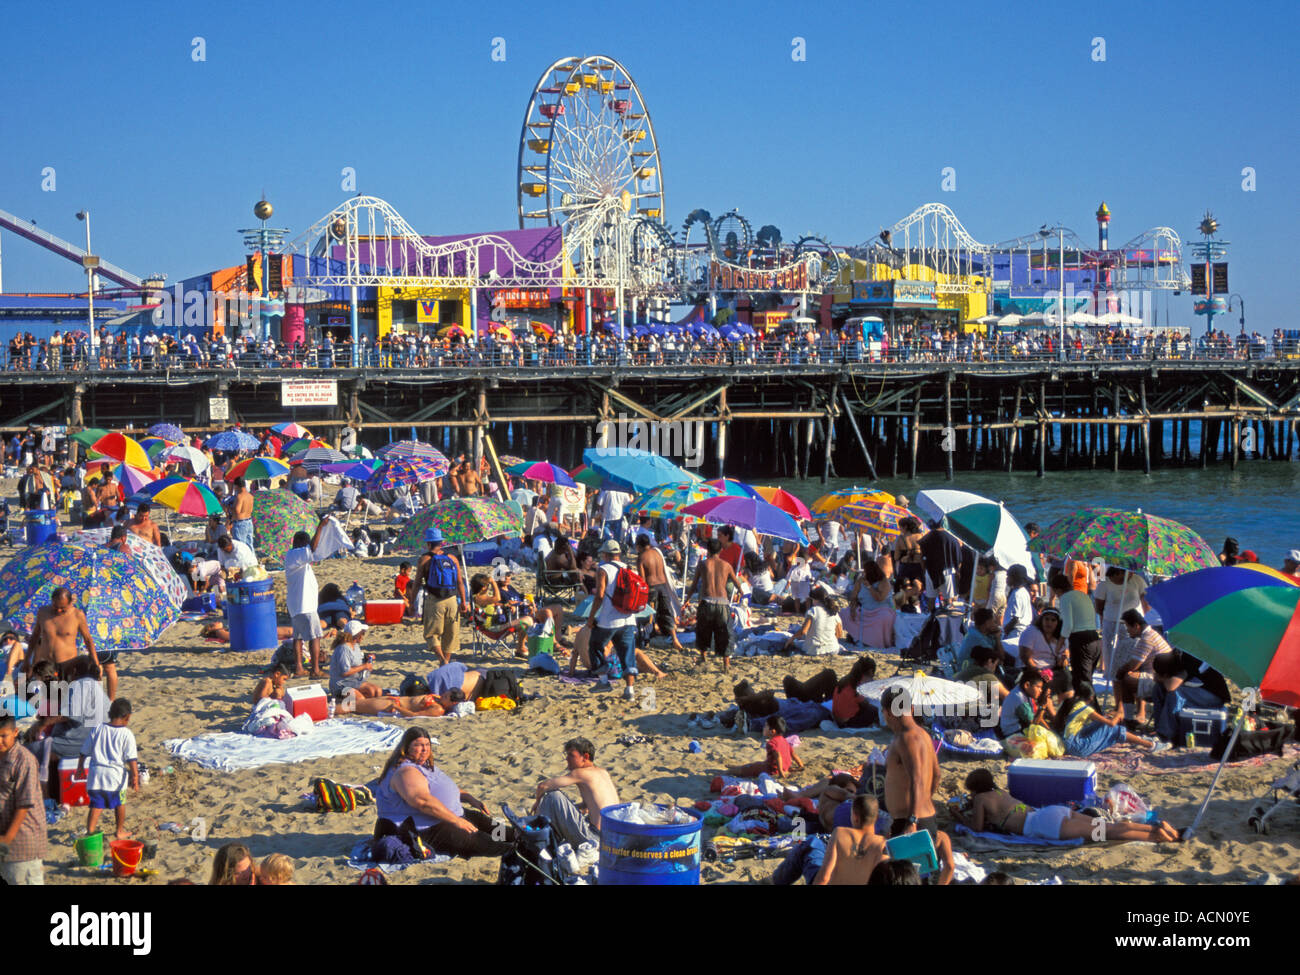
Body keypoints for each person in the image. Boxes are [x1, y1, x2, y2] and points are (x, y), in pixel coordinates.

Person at [372, 727, 513, 859]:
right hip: (427, 828)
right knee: (482, 841)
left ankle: (520, 837)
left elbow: (443, 789)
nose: (424, 750)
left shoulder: (421, 764)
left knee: (493, 826)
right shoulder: (405, 772)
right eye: (418, 745)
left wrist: (469, 797)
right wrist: (457, 821)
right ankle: (514, 850)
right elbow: (422, 802)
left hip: (449, 815)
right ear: (406, 747)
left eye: (427, 745)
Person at [959, 768, 1180, 843]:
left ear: (975, 789)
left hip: (1047, 825)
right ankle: (1158, 828)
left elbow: (977, 828)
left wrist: (958, 817)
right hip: (1053, 812)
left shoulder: (980, 799)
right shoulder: (1000, 792)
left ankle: (1158, 835)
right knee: (1107, 827)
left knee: (1109, 833)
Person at [532, 737, 620, 850]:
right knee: (559, 803)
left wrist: (537, 802)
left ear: (586, 757)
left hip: (594, 838)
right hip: (613, 838)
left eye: (571, 755)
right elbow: (587, 807)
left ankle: (536, 834)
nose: (567, 759)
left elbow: (543, 786)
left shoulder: (581, 773)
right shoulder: (603, 772)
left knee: (552, 795)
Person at [76, 698, 140, 841]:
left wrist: (79, 768)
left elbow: (83, 752)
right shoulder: (126, 734)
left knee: (96, 805)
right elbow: (132, 760)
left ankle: (90, 832)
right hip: (115, 777)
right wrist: (135, 777)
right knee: (120, 804)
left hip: (96, 777)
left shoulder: (98, 728)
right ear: (127, 716)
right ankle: (119, 831)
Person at [587, 540, 640, 700]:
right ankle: (629, 691)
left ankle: (603, 682)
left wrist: (591, 618)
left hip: (608, 620)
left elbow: (600, 596)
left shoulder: (603, 569)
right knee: (627, 654)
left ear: (605, 554)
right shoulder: (629, 569)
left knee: (595, 646)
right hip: (628, 618)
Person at [28, 587, 107, 693]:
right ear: (52, 601)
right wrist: (27, 660)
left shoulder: (77, 615)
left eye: (63, 608)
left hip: (68, 665)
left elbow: (88, 639)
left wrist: (96, 663)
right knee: (47, 701)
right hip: (47, 666)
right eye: (55, 607)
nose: (59, 610)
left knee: (66, 699)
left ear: (70, 603)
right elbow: (35, 637)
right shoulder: (43, 612)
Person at [1056, 683, 1169, 757]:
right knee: (1114, 729)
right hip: (1077, 748)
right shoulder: (1086, 709)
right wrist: (1119, 713)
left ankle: (1144, 742)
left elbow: (1101, 720)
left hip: (1070, 743)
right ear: (1091, 697)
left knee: (1103, 724)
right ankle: (1150, 745)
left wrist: (1109, 716)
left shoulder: (1077, 705)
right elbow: (1111, 723)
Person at [0, 713, 47, 885]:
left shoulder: (23, 760)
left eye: (3, 736)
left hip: (22, 842)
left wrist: (7, 839)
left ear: (14, 732)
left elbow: (24, 804)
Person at [284, 519, 329, 677]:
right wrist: (321, 527)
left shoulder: (295, 558)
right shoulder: (295, 555)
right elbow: (313, 548)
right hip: (305, 605)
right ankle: (315, 670)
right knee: (315, 636)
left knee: (299, 637)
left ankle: (299, 668)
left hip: (297, 605)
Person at [417, 528, 467, 666]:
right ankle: (447, 660)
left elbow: (416, 583)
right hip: (452, 601)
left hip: (434, 601)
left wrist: (411, 603)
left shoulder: (424, 559)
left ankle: (442, 660)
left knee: (432, 634)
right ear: (442, 542)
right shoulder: (452, 558)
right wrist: (464, 601)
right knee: (450, 635)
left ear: (428, 544)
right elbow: (460, 582)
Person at [1113, 609, 1173, 726]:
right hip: (1162, 676)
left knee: (1126, 679)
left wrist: (1120, 671)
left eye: (1128, 627)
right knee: (1129, 676)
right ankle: (1130, 717)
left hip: (1159, 679)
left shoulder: (1147, 638)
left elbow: (1133, 665)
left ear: (1136, 626)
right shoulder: (1151, 634)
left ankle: (1129, 718)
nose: (1127, 631)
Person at [811, 794, 886, 885]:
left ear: (855, 816)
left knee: (811, 842)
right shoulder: (882, 844)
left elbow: (824, 877)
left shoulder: (840, 834)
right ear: (877, 817)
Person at [689, 536, 739, 671]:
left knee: (703, 631)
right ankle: (726, 664)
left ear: (707, 550)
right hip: (723, 603)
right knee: (724, 632)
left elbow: (693, 586)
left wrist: (687, 599)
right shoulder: (726, 565)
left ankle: (703, 658)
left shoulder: (703, 564)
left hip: (706, 602)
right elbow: (737, 583)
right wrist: (739, 593)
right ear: (720, 550)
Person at [1049, 572, 1101, 690]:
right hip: (1095, 639)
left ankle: (1091, 708)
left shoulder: (1065, 598)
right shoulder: (1082, 595)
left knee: (1082, 683)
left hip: (1081, 641)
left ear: (1057, 589)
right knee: (1085, 682)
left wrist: (1057, 648)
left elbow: (1068, 625)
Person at [1095, 567, 1148, 679]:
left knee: (1130, 659)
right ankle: (1115, 686)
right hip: (1112, 625)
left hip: (1133, 627)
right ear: (1118, 572)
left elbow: (1146, 602)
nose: (1130, 574)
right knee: (1113, 660)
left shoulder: (1137, 580)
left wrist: (1147, 620)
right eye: (1126, 572)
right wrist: (1109, 617)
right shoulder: (1104, 584)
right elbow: (1099, 607)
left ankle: (1129, 686)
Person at [635, 535, 683, 651]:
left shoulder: (641, 558)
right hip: (663, 586)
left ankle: (646, 641)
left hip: (651, 588)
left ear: (638, 546)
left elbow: (642, 580)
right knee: (667, 613)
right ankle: (675, 638)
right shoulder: (657, 553)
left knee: (650, 615)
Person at [724, 714, 804, 779]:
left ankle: (730, 771)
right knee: (757, 764)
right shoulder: (784, 740)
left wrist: (780, 773)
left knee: (751, 768)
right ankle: (736, 768)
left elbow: (778, 756)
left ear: (772, 731)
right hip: (785, 767)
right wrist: (800, 765)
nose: (763, 728)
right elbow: (793, 754)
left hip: (771, 770)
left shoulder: (772, 743)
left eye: (765, 726)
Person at [844, 561, 895, 649]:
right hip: (865, 609)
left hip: (881, 610)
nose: (864, 573)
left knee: (884, 617)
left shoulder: (884, 582)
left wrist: (869, 587)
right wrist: (852, 608)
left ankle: (876, 642)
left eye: (866, 571)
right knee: (844, 613)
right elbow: (854, 597)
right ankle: (855, 637)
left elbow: (879, 598)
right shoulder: (860, 581)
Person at [783, 585, 845, 656]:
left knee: (796, 643)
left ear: (815, 600)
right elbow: (839, 634)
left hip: (814, 650)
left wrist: (791, 639)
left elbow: (803, 631)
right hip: (833, 649)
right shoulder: (834, 612)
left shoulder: (813, 611)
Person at [329, 620, 382, 702]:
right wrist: (364, 666)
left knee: (376, 691)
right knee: (360, 700)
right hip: (341, 684)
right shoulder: (343, 649)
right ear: (357, 635)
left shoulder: (355, 645)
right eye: (362, 633)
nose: (363, 636)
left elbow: (355, 660)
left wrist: (366, 658)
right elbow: (345, 672)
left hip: (354, 681)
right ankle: (339, 699)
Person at [997, 667, 1045, 738]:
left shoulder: (1021, 690)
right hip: (1013, 734)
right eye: (1038, 687)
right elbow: (1033, 725)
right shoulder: (1020, 699)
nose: (1040, 690)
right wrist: (1043, 707)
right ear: (1027, 685)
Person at [1018, 606, 1068, 672]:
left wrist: (1063, 661)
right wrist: (1039, 672)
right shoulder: (1031, 632)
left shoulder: (1062, 638)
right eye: (1046, 619)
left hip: (1054, 671)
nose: (1049, 623)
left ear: (1058, 623)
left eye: (1053, 620)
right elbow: (1025, 657)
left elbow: (1064, 660)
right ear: (1041, 620)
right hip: (1031, 671)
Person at [1001, 564, 1034, 650]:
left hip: (1015, 632)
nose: (1006, 578)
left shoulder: (1017, 594)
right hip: (1021, 630)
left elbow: (1016, 618)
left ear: (1015, 579)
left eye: (1008, 576)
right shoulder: (1024, 592)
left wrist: (1006, 631)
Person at [228, 477, 254, 551]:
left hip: (240, 523)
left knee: (240, 546)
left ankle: (243, 562)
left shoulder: (239, 496)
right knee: (249, 544)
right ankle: (252, 560)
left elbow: (237, 511)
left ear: (236, 486)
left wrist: (228, 507)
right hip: (249, 521)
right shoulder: (250, 496)